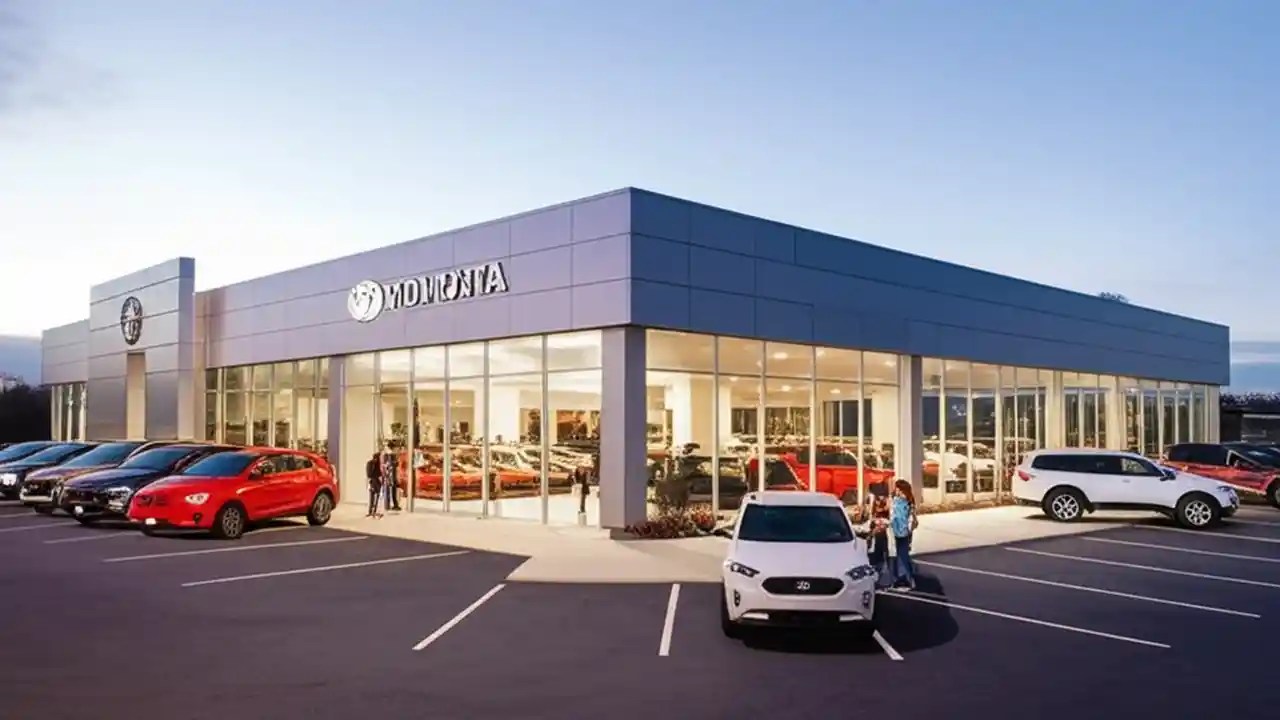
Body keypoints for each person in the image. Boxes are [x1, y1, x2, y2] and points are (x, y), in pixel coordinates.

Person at [889, 479, 919, 591]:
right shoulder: (895, 500)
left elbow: (912, 518)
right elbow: (891, 514)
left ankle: (909, 579)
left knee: (903, 555)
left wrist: (909, 529)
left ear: (901, 490)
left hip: (904, 532)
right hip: (894, 530)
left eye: (897, 488)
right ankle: (897, 580)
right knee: (895, 556)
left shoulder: (908, 502)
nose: (895, 490)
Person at [365, 452, 383, 518]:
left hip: (372, 481)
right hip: (376, 482)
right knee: (377, 497)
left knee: (372, 497)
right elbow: (378, 474)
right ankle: (375, 511)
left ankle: (371, 511)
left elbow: (368, 474)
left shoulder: (370, 463)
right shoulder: (376, 464)